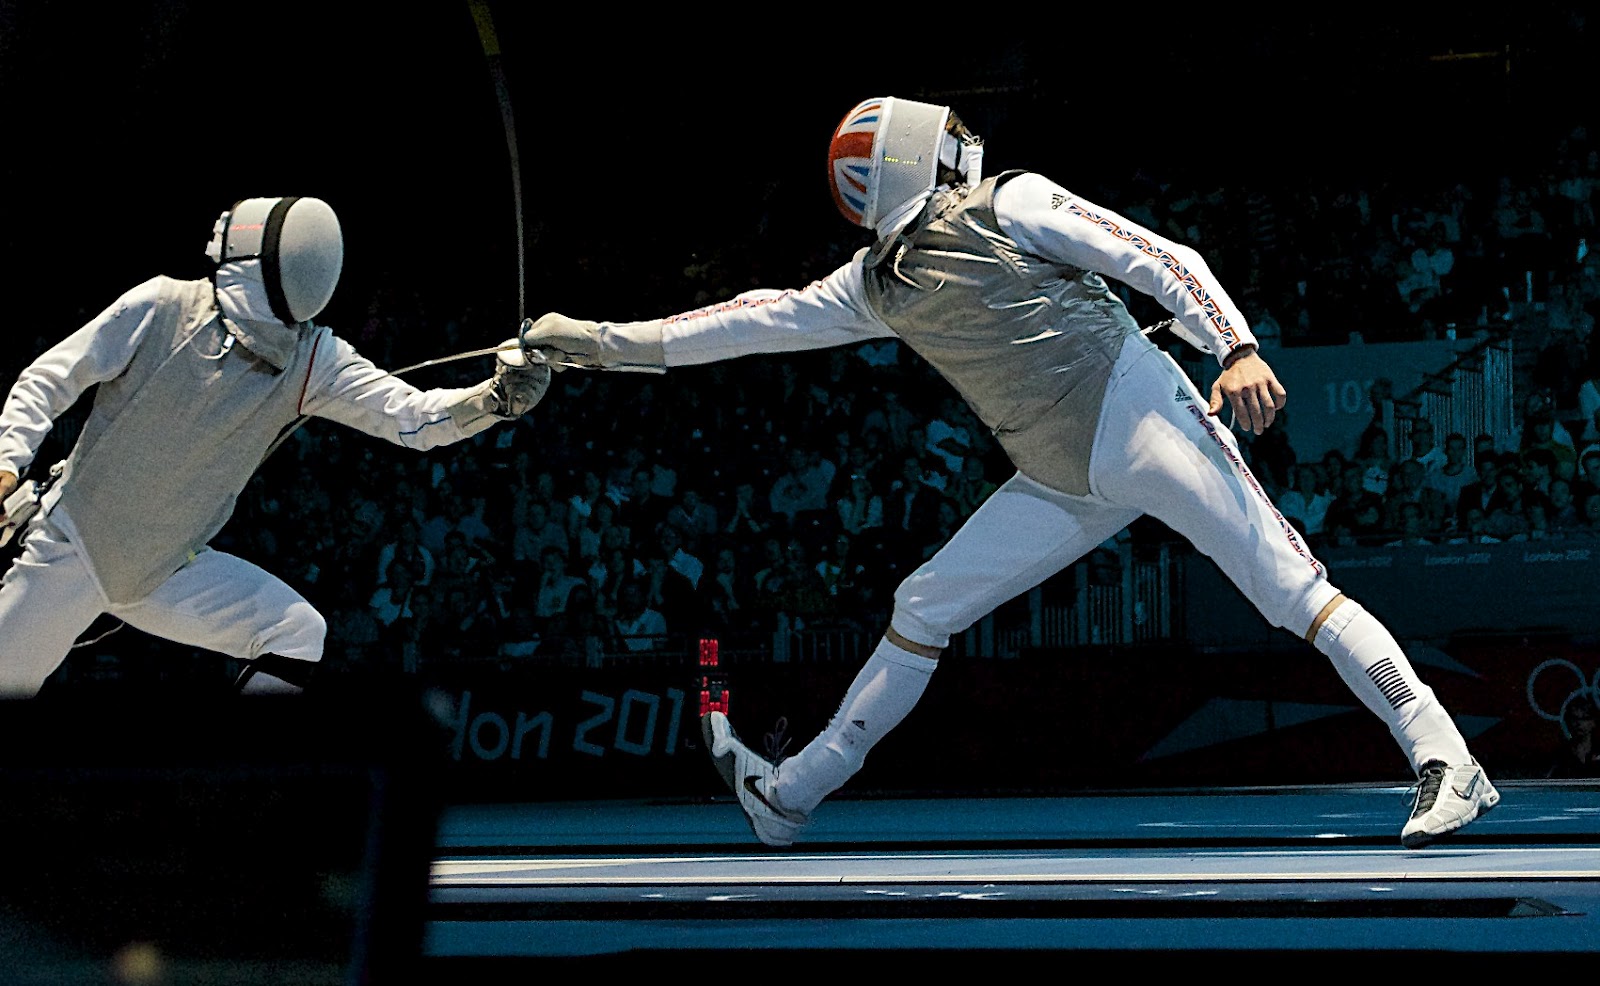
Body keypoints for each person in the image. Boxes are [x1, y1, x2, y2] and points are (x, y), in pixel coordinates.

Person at [517, 96, 1498, 849]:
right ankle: (791, 794)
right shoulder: (875, 284)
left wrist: (1229, 343)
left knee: (1291, 588)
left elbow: (1155, 257)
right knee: (926, 599)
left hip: (1142, 412)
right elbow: (740, 323)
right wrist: (594, 344)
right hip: (1059, 473)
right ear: (918, 154)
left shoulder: (1009, 205)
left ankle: (1446, 756)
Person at [0, 196, 550, 696]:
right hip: (71, 549)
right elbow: (49, 380)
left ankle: (240, 783)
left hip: (165, 572)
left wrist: (495, 399)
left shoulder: (312, 359)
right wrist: (5, 467)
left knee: (295, 631)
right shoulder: (164, 307)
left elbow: (414, 419)